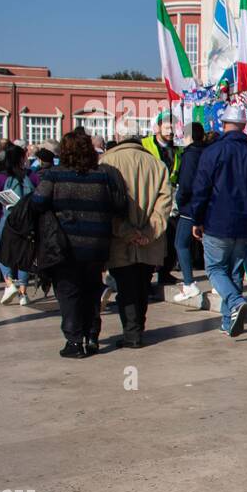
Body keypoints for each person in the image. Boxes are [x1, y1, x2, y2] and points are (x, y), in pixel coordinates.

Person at [30, 130, 128, 357]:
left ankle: (74, 342)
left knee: (69, 292)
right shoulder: (103, 175)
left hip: (65, 245)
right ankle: (92, 336)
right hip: (97, 245)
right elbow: (119, 206)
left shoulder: (55, 175)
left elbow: (38, 202)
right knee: (92, 289)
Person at [187, 103, 247, 336]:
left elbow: (201, 188)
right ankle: (229, 321)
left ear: (223, 124)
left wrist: (196, 219)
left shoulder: (213, 152)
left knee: (216, 269)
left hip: (217, 221)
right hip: (246, 222)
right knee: (236, 271)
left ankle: (235, 302)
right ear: (244, 126)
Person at [100, 128, 173, 349]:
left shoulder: (106, 162)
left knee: (125, 286)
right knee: (142, 283)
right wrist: (150, 232)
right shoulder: (156, 164)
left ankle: (132, 332)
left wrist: (127, 231)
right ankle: (137, 327)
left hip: (120, 240)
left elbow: (104, 205)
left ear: (120, 138)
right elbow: (165, 202)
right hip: (150, 241)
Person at [0, 141, 40, 305]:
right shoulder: (32, 176)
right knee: (25, 254)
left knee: (4, 253)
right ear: (23, 158)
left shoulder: (0, 178)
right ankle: (23, 292)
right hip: (28, 221)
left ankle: (9, 283)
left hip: (8, 220)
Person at [141, 111, 181, 289]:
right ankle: (147, 276)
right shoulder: (145, 144)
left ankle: (165, 272)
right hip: (151, 195)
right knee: (153, 235)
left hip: (171, 197)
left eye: (173, 126)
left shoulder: (178, 147)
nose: (171, 130)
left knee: (171, 235)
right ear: (158, 127)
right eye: (167, 126)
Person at [172, 123, 210, 303]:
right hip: (209, 205)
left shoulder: (190, 155)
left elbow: (185, 184)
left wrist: (180, 201)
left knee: (181, 243)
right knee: (209, 245)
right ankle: (218, 284)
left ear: (187, 136)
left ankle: (189, 283)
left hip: (190, 207)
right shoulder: (209, 152)